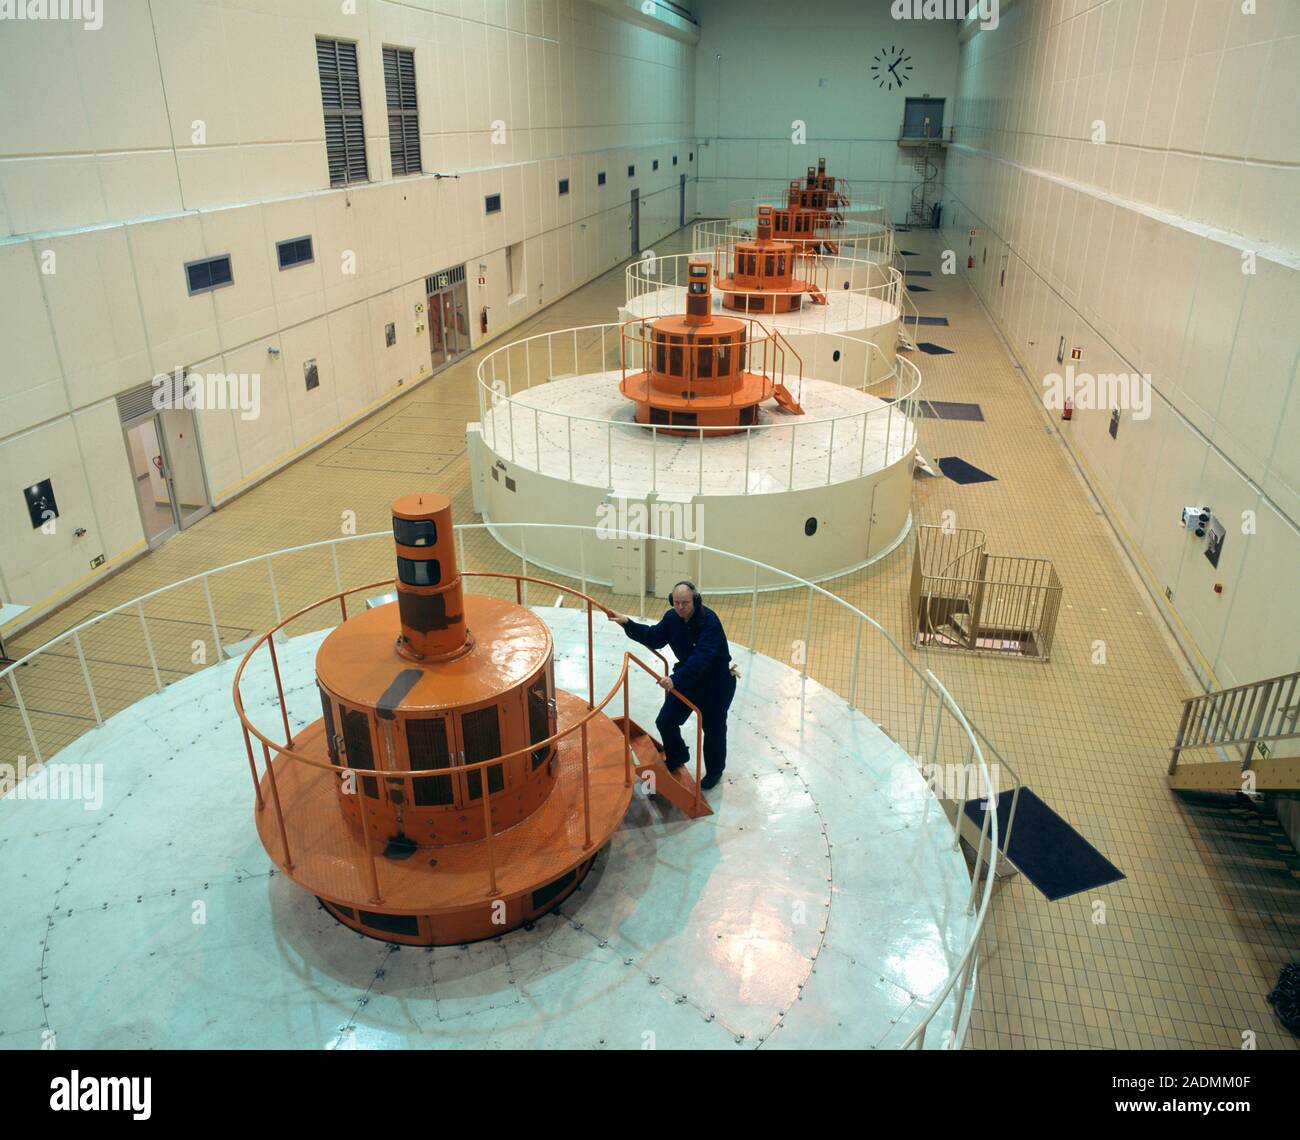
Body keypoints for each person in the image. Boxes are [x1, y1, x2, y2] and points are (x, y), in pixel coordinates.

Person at [607, 581, 736, 790]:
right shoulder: (672, 617)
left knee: (713, 730)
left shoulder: (709, 622)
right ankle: (677, 755)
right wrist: (627, 623)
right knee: (665, 721)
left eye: (685, 603)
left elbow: (701, 658)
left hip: (715, 685)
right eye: (676, 602)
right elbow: (654, 637)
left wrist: (675, 679)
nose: (680, 608)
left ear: (695, 601)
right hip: (688, 680)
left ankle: (715, 771)